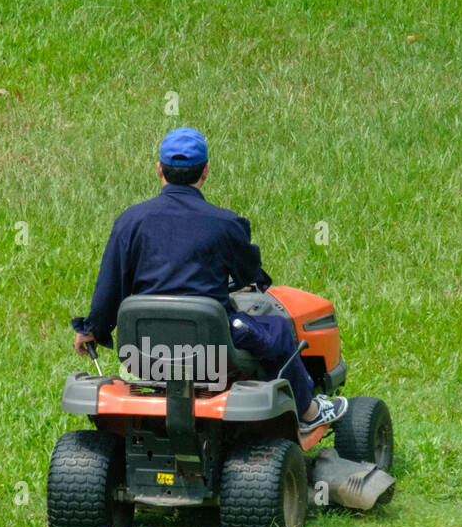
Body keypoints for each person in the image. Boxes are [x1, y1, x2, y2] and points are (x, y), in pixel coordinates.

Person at [71, 127, 347, 432]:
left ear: (159, 170)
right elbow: (249, 275)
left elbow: (109, 287)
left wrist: (91, 330)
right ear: (205, 173)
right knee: (277, 329)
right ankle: (308, 411)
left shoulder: (130, 222)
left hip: (144, 351)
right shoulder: (225, 224)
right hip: (213, 351)